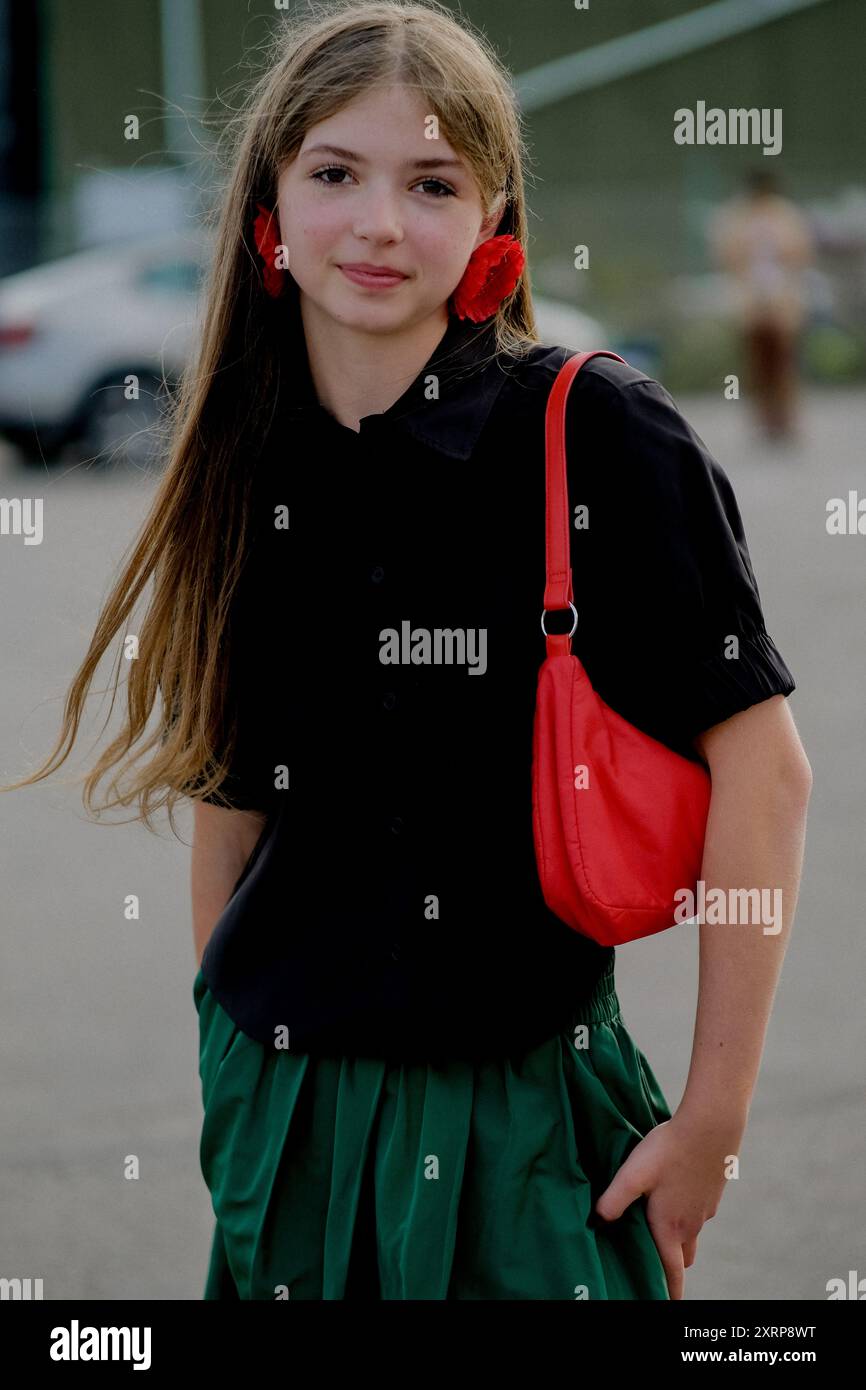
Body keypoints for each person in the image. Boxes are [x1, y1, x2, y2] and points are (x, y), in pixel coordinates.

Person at [5, 0, 812, 1300]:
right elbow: (236, 795)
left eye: (430, 182)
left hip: (526, 1120)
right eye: (334, 173)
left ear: (492, 221)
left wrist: (711, 1121)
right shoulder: (248, 453)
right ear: (270, 204)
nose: (379, 224)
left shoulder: (598, 433)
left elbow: (766, 780)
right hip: (288, 1117)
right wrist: (230, 1059)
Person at [710, 168, 815, 441]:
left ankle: (786, 418)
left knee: (783, 361)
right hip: (751, 302)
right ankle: (763, 418)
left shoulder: (785, 216)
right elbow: (728, 255)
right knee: (757, 362)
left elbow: (799, 253)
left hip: (782, 301)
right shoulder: (737, 218)